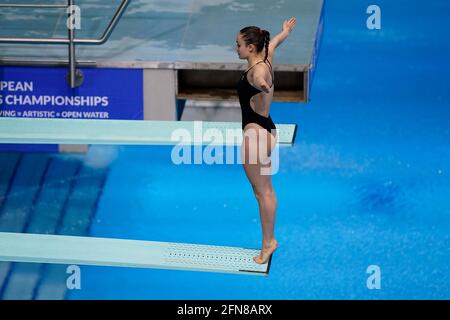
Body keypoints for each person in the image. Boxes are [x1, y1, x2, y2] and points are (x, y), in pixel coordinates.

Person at [236, 17, 297, 264]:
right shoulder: (266, 56)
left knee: (263, 194)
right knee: (265, 191)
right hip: (267, 129)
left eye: (238, 44)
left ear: (250, 47)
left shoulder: (258, 70)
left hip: (256, 137)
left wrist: (263, 84)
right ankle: (269, 241)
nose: (236, 48)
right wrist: (285, 32)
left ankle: (268, 243)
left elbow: (262, 80)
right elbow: (275, 43)